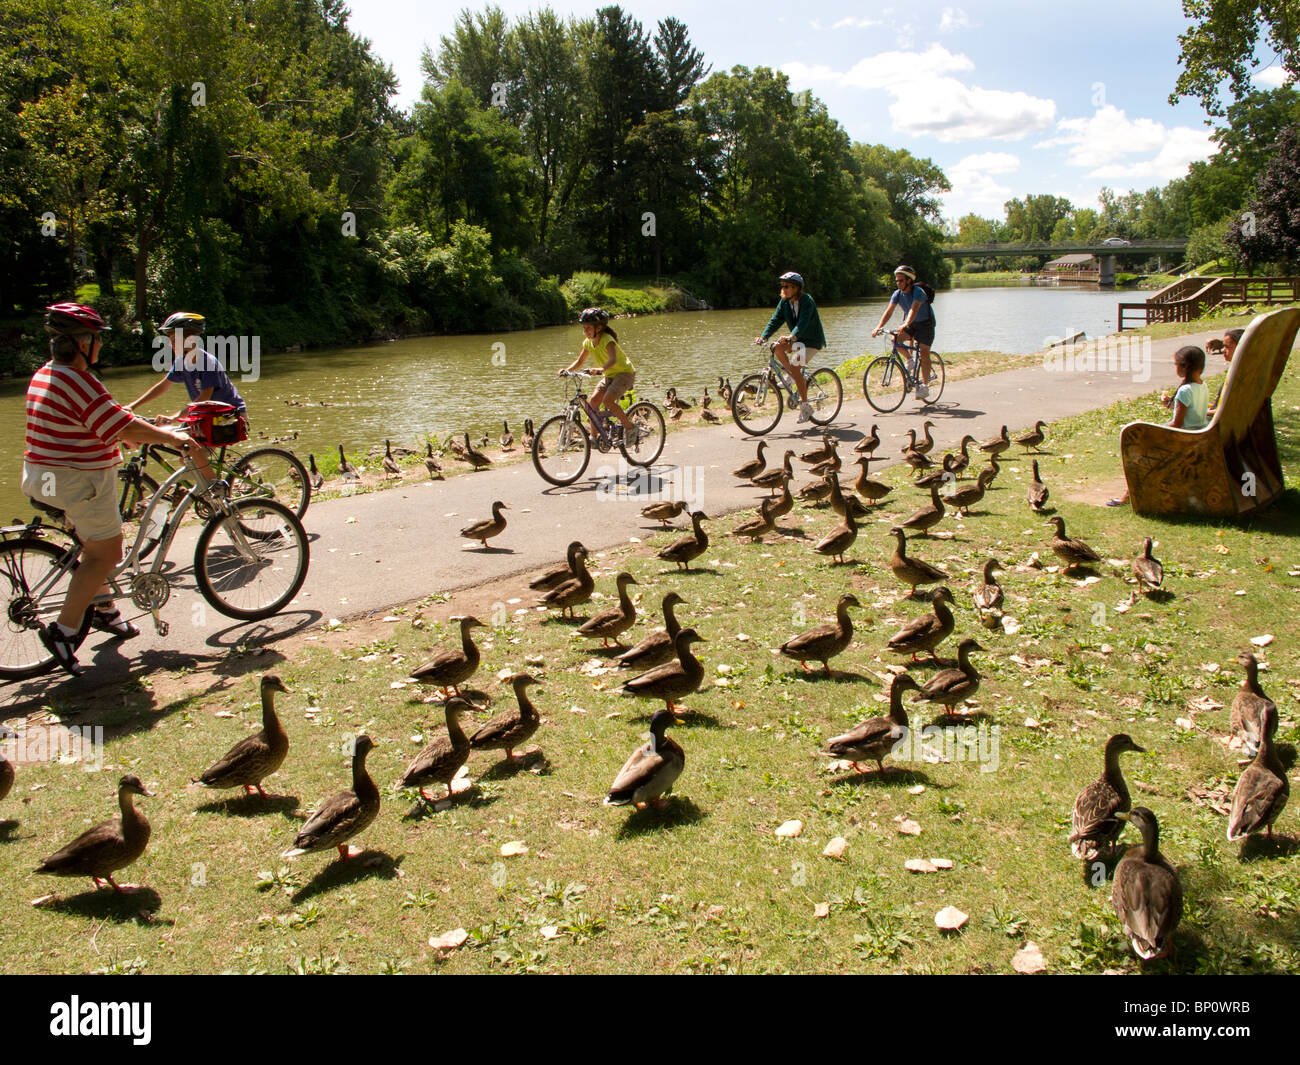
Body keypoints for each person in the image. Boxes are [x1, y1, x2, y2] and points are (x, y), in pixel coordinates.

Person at [22, 303, 208, 674]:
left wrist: (128, 431)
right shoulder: (79, 380)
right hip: (77, 483)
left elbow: (103, 420)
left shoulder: (47, 374)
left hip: (42, 476)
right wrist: (174, 439)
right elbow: (124, 426)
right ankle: (62, 631)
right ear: (83, 343)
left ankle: (104, 609)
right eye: (97, 340)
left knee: (93, 545)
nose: (101, 348)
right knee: (105, 554)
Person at [1108, 345, 1208, 507]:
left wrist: (1153, 428)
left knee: (1139, 451)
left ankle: (1128, 495)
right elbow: (1191, 413)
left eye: (1175, 364)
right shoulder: (1201, 385)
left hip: (1183, 437)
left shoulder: (1184, 390)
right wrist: (1170, 404)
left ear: (1184, 366)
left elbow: (1177, 423)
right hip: (1197, 434)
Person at [755, 271, 826, 423]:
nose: (784, 289)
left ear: (796, 288)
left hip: (812, 341)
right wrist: (764, 336)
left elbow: (803, 322)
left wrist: (791, 336)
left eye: (787, 286)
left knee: (795, 367)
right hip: (798, 340)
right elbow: (775, 320)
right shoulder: (785, 302)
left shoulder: (807, 300)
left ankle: (806, 407)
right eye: (782, 286)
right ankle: (792, 376)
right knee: (777, 347)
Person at [561, 307, 636, 440]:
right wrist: (567, 371)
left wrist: (600, 370)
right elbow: (580, 361)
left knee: (607, 401)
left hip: (624, 373)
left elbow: (613, 360)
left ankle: (630, 428)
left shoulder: (607, 339)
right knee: (593, 404)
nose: (585, 331)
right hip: (610, 375)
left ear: (599, 327)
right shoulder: (588, 343)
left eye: (588, 328)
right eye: (584, 328)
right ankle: (594, 438)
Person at [872, 265, 936, 400]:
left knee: (924, 351)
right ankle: (910, 360)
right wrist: (878, 326)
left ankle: (924, 386)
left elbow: (914, 309)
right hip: (911, 323)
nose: (898, 283)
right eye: (897, 281)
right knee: (895, 341)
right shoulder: (897, 294)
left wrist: (906, 323)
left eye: (901, 280)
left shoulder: (918, 292)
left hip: (925, 324)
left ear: (909, 281)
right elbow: (889, 312)